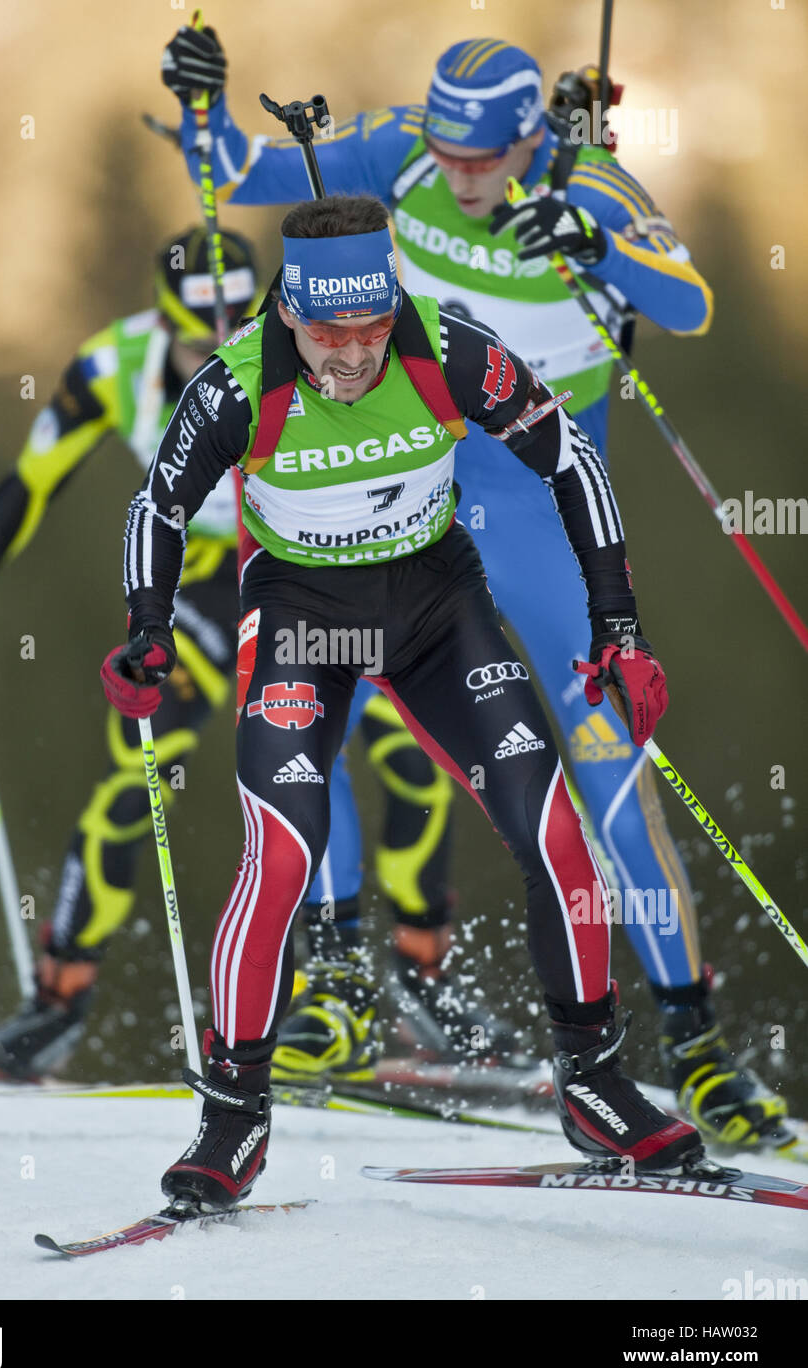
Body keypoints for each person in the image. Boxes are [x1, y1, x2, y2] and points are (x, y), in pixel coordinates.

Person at [156, 26, 790, 1151]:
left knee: (601, 774)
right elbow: (235, 176)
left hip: (539, 515)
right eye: (446, 158)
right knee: (307, 740)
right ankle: (338, 982)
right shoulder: (400, 152)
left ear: (532, 136)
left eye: (482, 162)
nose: (458, 177)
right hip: (413, 502)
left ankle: (689, 1037)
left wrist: (595, 239)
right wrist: (201, 113)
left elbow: (684, 302)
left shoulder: (586, 176)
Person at [101, 193, 703, 1215]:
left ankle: (594, 1079)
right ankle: (234, 1116)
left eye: (371, 329)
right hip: (302, 618)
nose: (351, 357)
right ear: (292, 313)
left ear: (394, 305)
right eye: (329, 334)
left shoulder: (450, 349)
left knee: (556, 830)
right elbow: (156, 502)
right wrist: (145, 630)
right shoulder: (239, 383)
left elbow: (573, 458)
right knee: (282, 851)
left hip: (434, 611)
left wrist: (619, 626)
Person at [0, 226, 369, 1079]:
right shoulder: (112, 364)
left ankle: (380, 978)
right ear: (164, 320)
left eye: (235, 326)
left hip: (308, 561)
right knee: (137, 773)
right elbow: (38, 471)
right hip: (191, 575)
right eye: (198, 334)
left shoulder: (313, 345)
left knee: (368, 749)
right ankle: (57, 999)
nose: (218, 348)